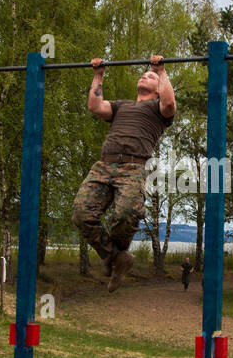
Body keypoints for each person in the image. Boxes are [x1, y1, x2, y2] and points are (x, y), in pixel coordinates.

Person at [72, 55, 175, 292]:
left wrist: (161, 71)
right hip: (103, 166)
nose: (145, 75)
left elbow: (170, 104)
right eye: (144, 74)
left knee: (126, 213)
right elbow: (95, 106)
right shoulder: (121, 105)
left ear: (158, 88)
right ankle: (117, 258)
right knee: (80, 214)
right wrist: (98, 75)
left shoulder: (158, 109)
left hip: (132, 167)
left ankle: (114, 259)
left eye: (150, 76)